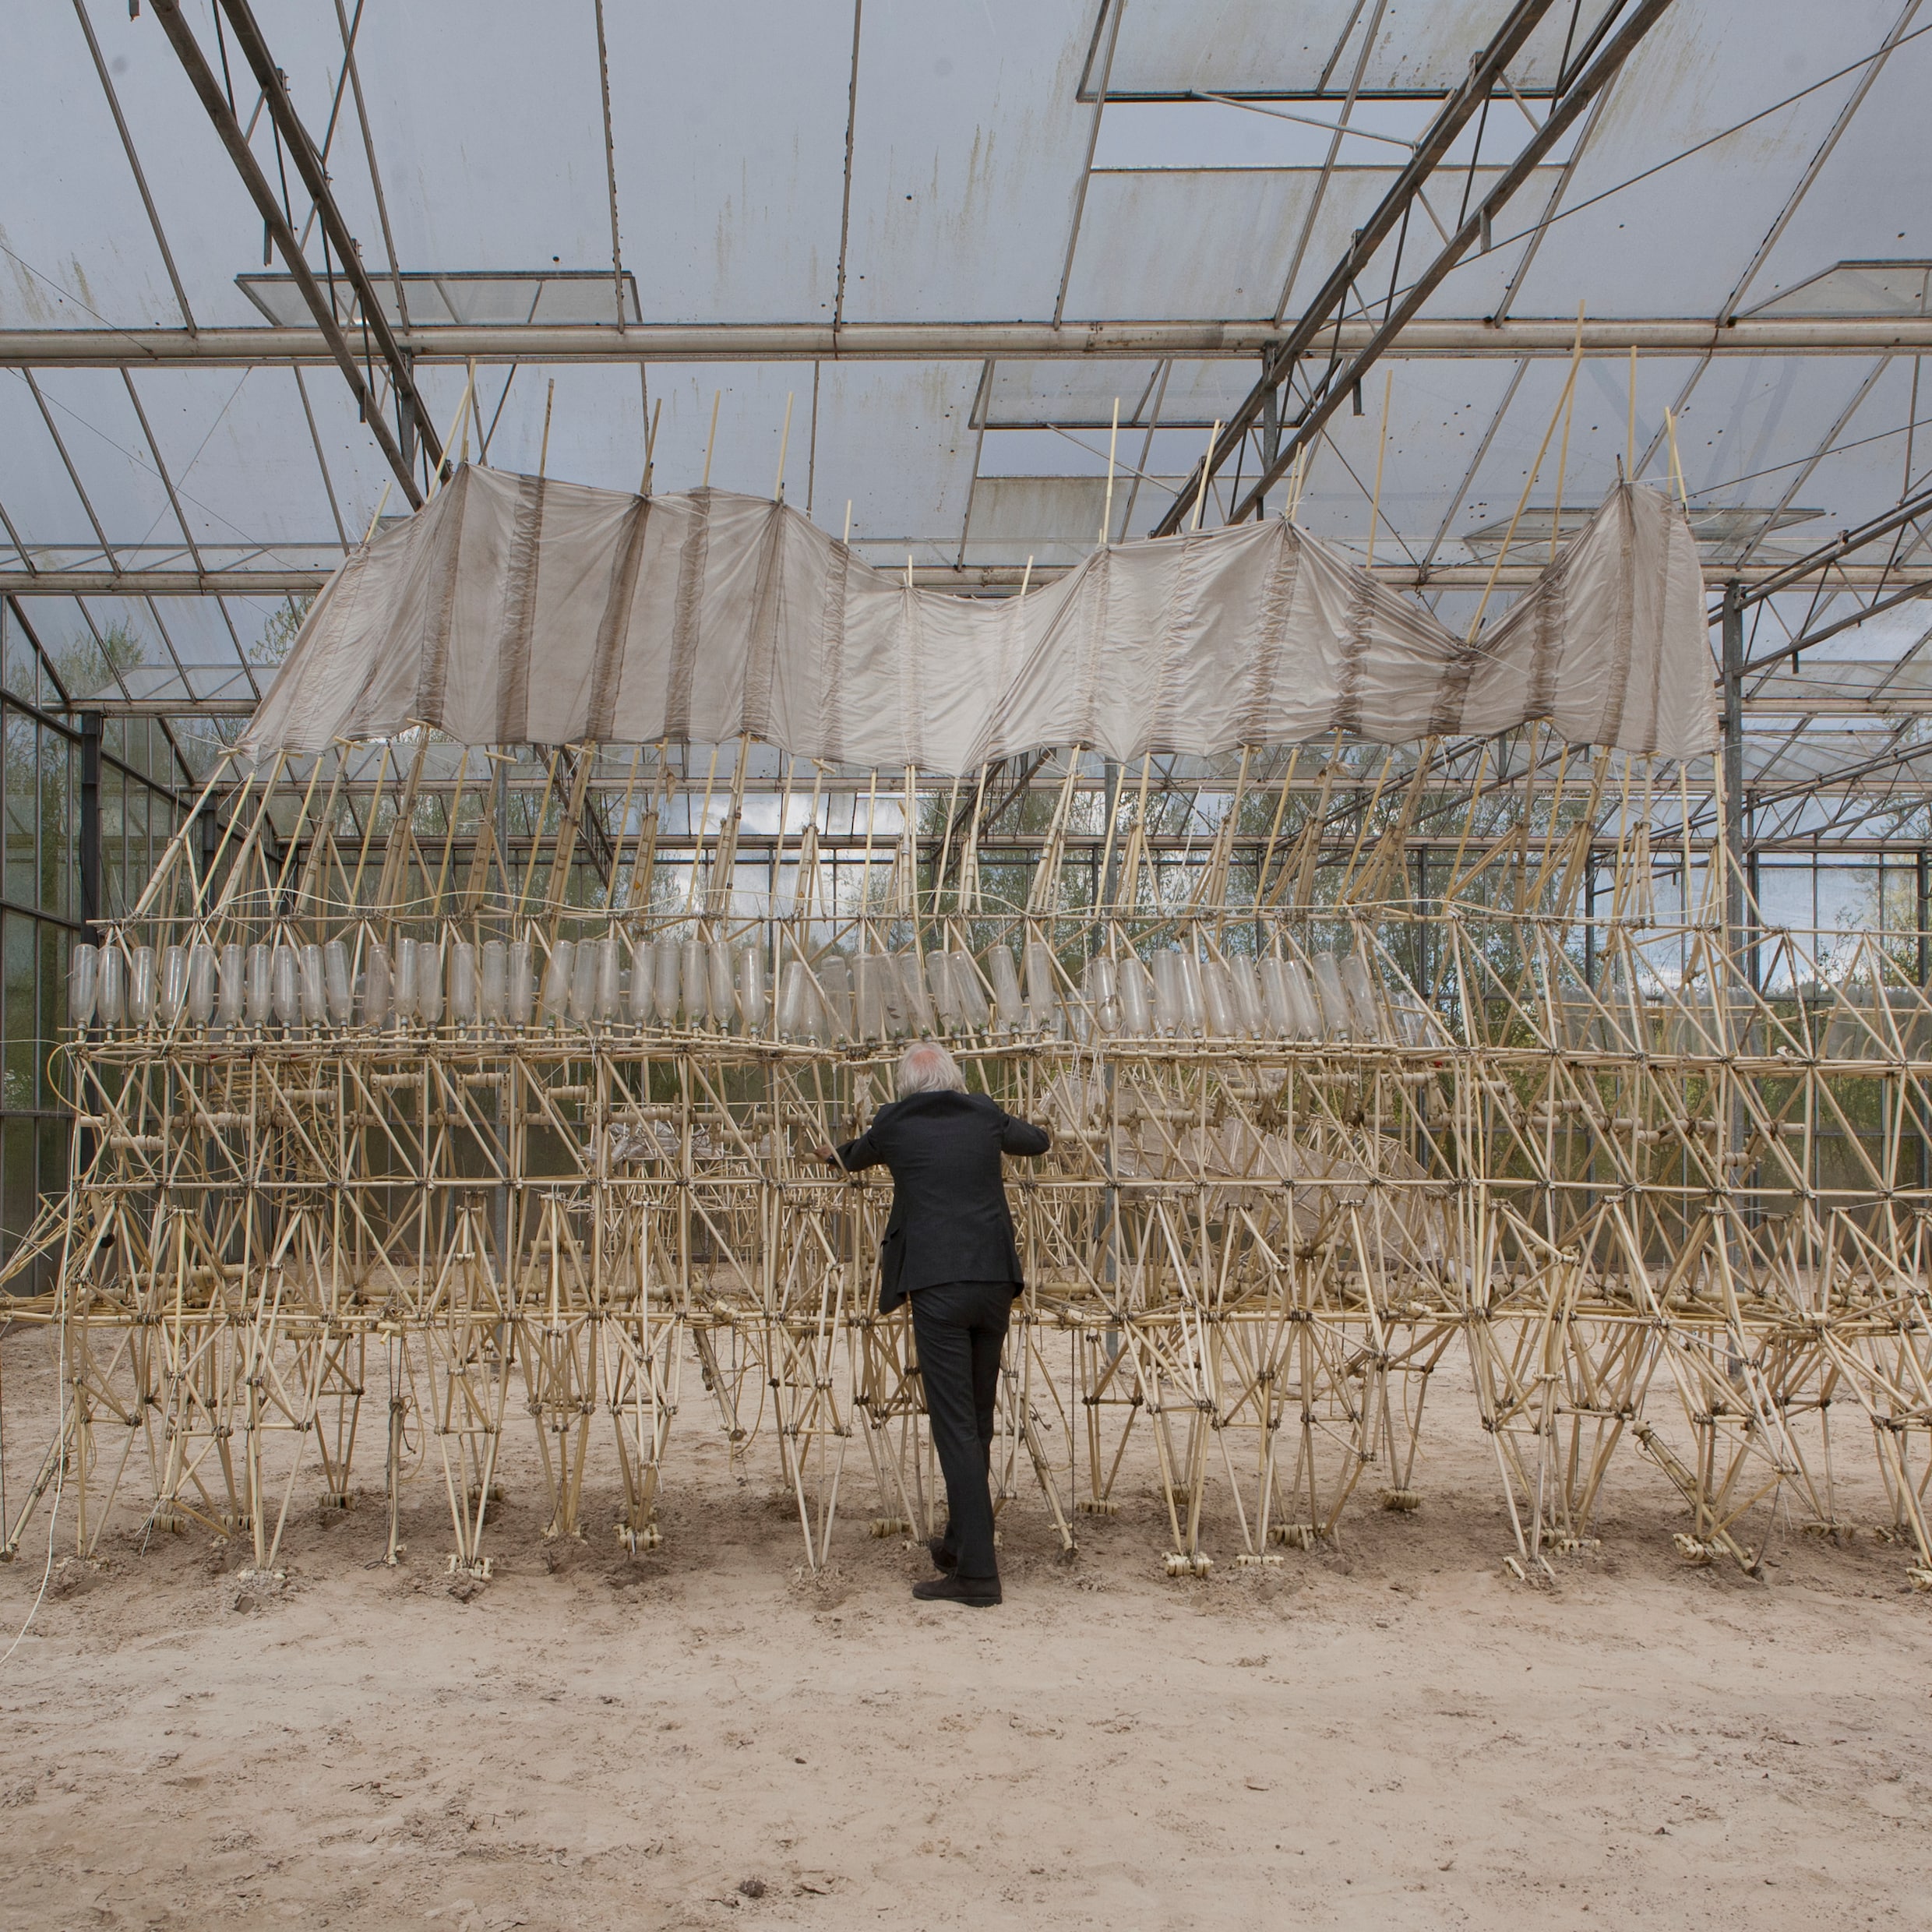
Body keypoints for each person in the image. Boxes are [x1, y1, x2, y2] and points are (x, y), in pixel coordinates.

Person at [816, 1041, 1050, 1607]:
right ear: (954, 1078)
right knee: (977, 1421)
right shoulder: (984, 1112)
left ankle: (978, 1577)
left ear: (906, 1085)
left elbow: (853, 1157)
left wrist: (828, 1154)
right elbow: (1036, 1142)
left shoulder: (895, 1122)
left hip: (939, 1287)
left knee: (955, 1429)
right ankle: (959, 1544)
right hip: (993, 1282)